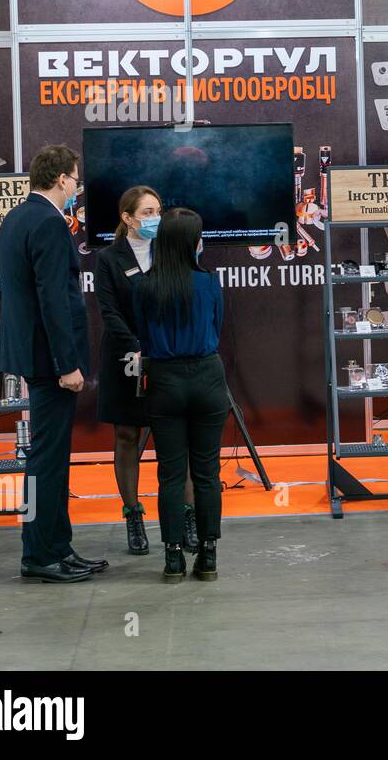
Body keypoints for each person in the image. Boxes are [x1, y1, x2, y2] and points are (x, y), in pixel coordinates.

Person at [0, 145, 106, 583]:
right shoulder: (47, 222)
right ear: (62, 178)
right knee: (46, 460)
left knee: (52, 458)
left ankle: (57, 548)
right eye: (75, 177)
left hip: (35, 355)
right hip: (49, 360)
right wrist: (68, 363)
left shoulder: (17, 217)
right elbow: (53, 300)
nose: (78, 184)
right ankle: (41, 556)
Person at [95, 185, 198, 556]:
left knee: (176, 441)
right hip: (125, 359)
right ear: (127, 218)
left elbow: (185, 300)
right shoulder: (108, 258)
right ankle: (133, 516)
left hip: (169, 357)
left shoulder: (171, 251)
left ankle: (187, 517)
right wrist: (138, 348)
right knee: (126, 436)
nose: (156, 218)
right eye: (148, 212)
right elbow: (110, 313)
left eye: (158, 210)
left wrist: (162, 348)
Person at [132, 208, 228, 583]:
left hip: (164, 380)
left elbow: (142, 334)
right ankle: (208, 555)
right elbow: (216, 328)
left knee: (170, 475)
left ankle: (173, 558)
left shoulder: (144, 285)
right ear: (192, 243)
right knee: (206, 473)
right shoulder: (209, 283)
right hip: (207, 376)